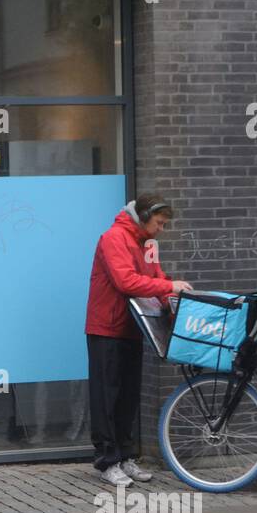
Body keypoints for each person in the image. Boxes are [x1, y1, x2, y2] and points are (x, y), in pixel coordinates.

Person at [84, 194, 193, 487]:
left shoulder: (148, 244)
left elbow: (156, 276)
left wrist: (169, 296)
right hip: (107, 327)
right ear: (144, 218)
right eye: (159, 223)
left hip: (134, 326)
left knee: (128, 396)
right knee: (107, 396)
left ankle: (125, 456)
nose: (161, 229)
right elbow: (125, 281)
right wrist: (168, 286)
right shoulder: (114, 238)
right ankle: (107, 460)